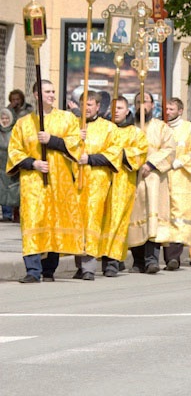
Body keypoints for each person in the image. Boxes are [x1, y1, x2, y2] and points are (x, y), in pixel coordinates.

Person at [7, 80, 81, 283]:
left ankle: (49, 269)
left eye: (53, 91)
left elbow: (76, 144)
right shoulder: (23, 123)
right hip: (33, 182)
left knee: (54, 221)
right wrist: (33, 163)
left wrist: (53, 140)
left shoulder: (66, 118)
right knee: (32, 220)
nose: (52, 95)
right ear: (37, 95)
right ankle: (32, 269)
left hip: (59, 180)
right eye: (47, 92)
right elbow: (14, 151)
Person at [73, 91, 122, 280]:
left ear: (98, 107)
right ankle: (79, 264)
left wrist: (91, 158)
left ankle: (89, 266)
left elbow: (114, 153)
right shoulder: (74, 125)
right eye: (83, 104)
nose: (87, 108)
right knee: (77, 223)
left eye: (90, 105)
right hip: (76, 180)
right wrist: (75, 139)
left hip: (97, 181)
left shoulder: (109, 128)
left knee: (91, 221)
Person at [128, 93, 175, 274]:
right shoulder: (130, 128)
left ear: (152, 105)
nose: (142, 106)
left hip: (154, 179)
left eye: (145, 102)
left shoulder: (161, 127)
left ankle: (151, 260)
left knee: (153, 219)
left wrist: (151, 163)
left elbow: (170, 150)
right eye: (138, 102)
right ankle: (138, 261)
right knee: (135, 219)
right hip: (134, 178)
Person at [101, 96, 148, 275]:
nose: (116, 111)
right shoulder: (103, 129)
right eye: (114, 108)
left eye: (120, 108)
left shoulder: (134, 132)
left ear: (127, 110)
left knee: (117, 222)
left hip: (123, 182)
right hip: (101, 181)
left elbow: (140, 153)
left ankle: (113, 260)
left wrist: (119, 154)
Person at [161, 97, 191, 270]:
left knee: (179, 217)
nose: (168, 112)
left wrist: (180, 162)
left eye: (171, 109)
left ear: (180, 111)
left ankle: (174, 257)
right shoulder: (162, 128)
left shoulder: (190, 129)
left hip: (182, 179)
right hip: (164, 177)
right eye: (166, 108)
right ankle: (166, 257)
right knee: (165, 216)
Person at [0, 108, 20, 222]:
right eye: (2, 118)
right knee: (2, 189)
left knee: (13, 189)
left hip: (12, 164)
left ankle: (16, 213)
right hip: (0, 165)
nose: (4, 120)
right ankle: (6, 214)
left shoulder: (14, 131)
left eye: (7, 118)